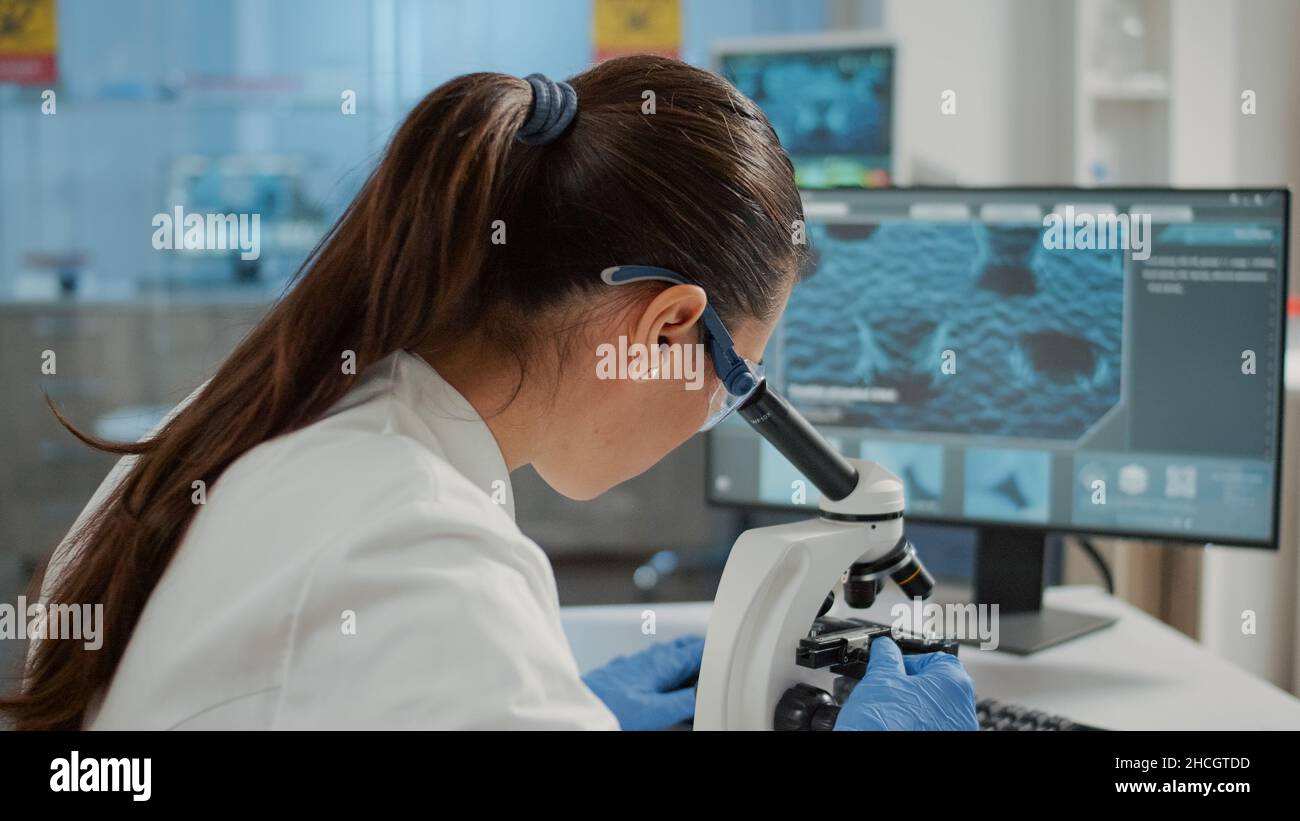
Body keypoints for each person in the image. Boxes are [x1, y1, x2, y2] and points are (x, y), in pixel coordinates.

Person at [2, 56, 976, 731]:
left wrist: (551, 702)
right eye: (735, 382)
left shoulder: (247, 415)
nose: (718, 413)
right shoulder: (423, 556)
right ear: (668, 327)